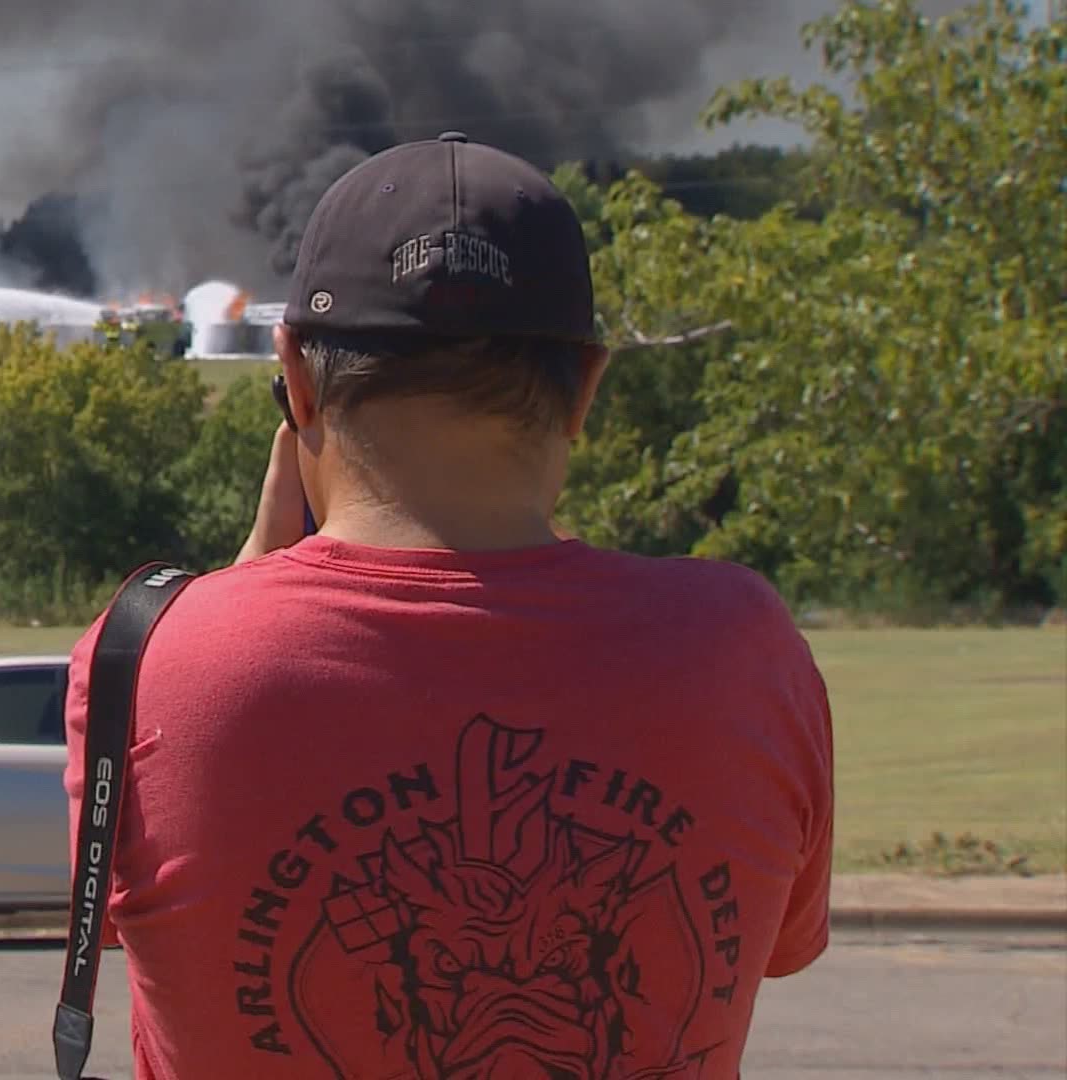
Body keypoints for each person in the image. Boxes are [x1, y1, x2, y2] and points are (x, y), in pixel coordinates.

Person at [63, 133, 834, 1079]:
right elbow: (778, 947)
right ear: (585, 387)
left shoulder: (145, 658)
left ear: (295, 377)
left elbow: (140, 946)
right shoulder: (742, 648)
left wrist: (226, 599)